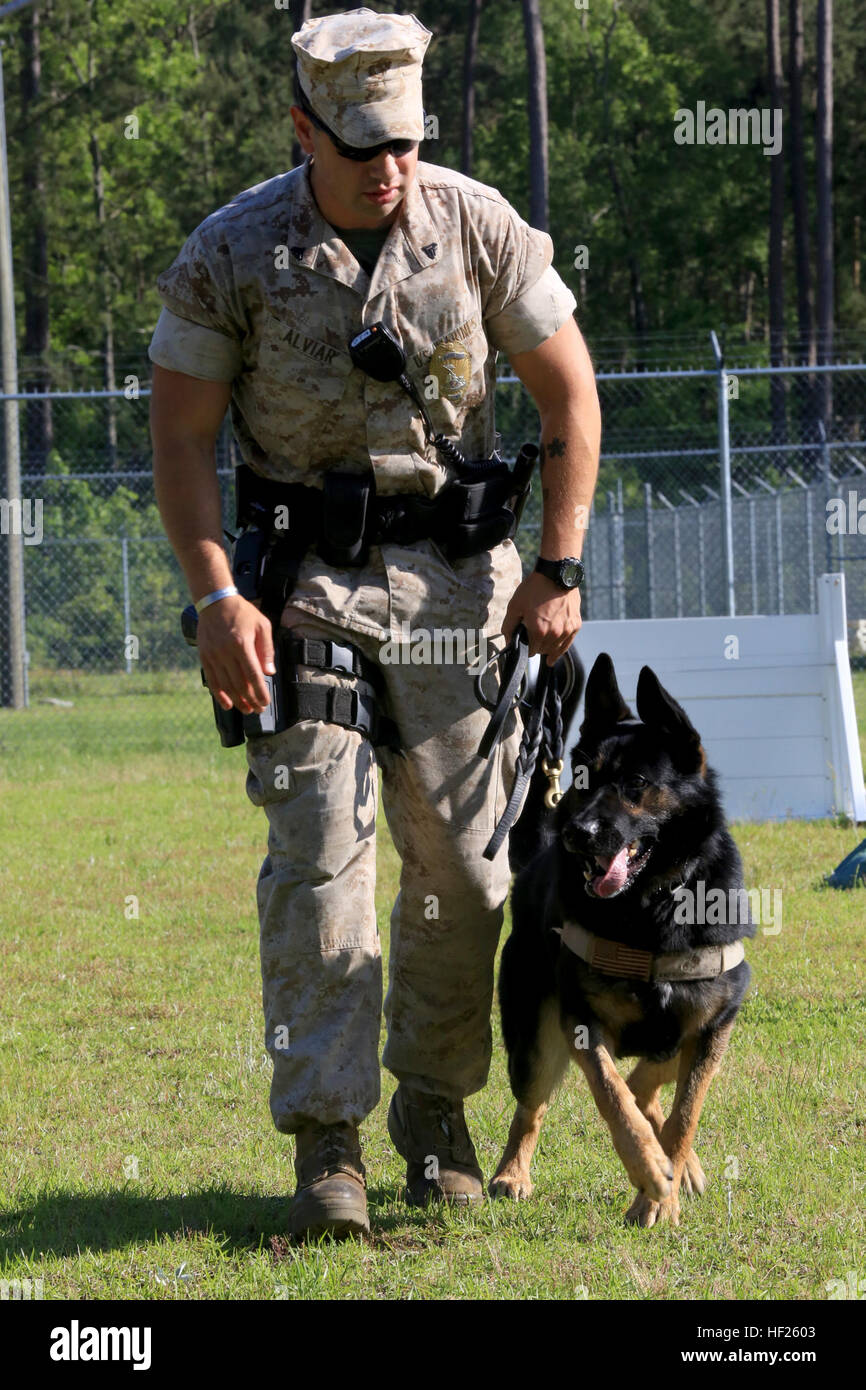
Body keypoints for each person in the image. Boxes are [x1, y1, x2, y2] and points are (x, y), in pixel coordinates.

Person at [149, 6, 600, 1240]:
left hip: (459, 592)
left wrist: (555, 566)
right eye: (358, 146)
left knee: (463, 869)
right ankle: (326, 1144)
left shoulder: (478, 224)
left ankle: (436, 1112)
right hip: (302, 588)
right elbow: (181, 441)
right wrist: (213, 596)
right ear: (303, 130)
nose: (386, 166)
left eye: (402, 139)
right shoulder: (230, 251)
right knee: (320, 865)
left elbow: (569, 392)